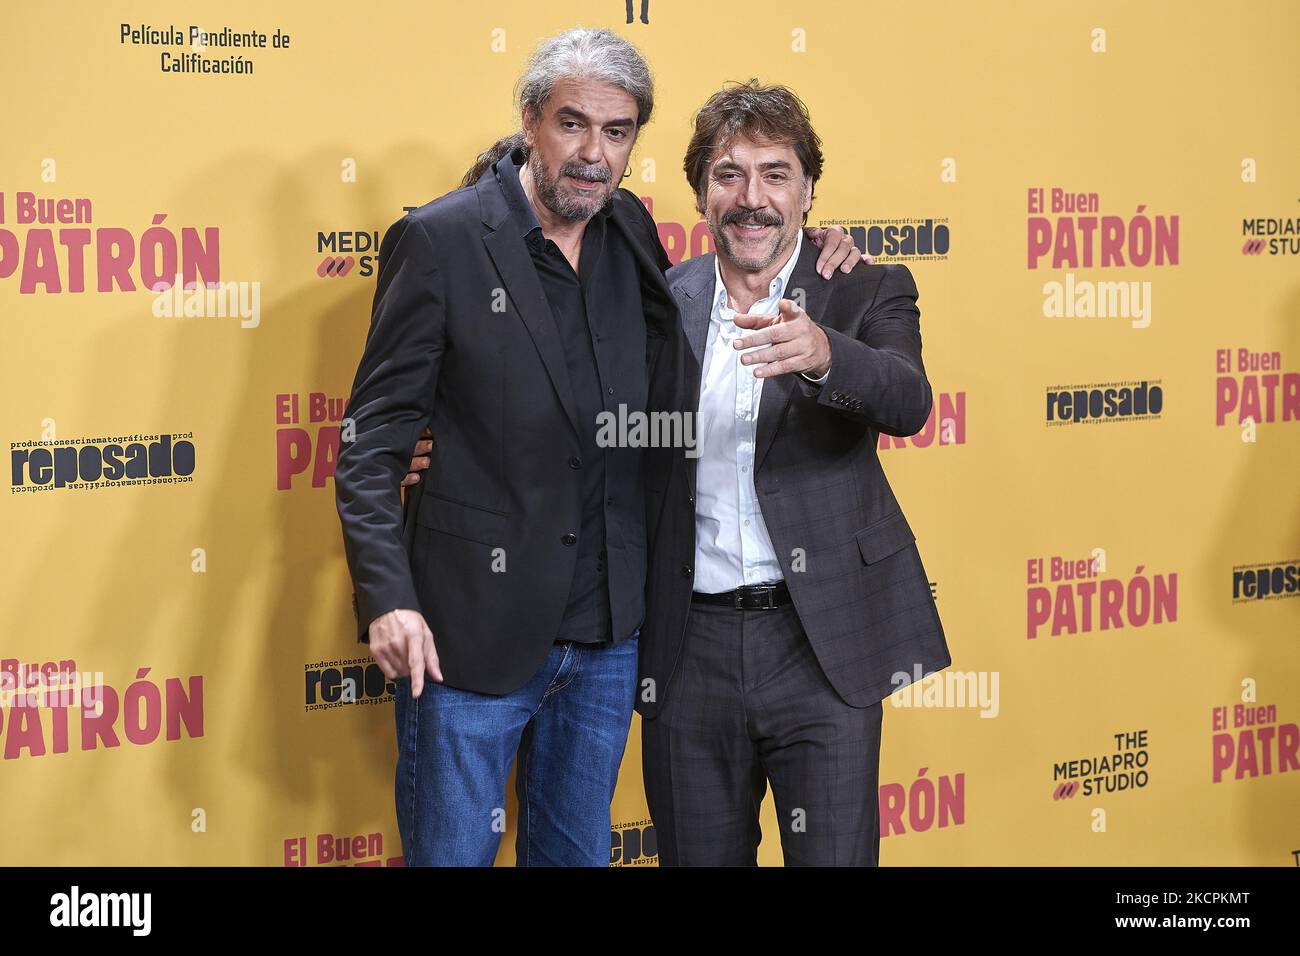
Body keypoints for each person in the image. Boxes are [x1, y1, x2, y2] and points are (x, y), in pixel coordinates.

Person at [337, 29, 862, 867]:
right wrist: (388, 598)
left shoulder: (630, 233)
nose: (593, 152)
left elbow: (710, 322)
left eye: (617, 132)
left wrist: (823, 251)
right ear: (530, 122)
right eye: (572, 124)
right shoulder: (440, 242)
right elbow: (369, 447)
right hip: (470, 629)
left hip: (611, 637)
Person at [638, 80, 953, 866]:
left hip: (823, 647)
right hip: (688, 651)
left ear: (809, 189)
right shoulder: (656, 302)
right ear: (701, 193)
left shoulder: (865, 288)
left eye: (775, 174)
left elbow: (908, 398)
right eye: (729, 174)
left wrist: (825, 355)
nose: (753, 199)